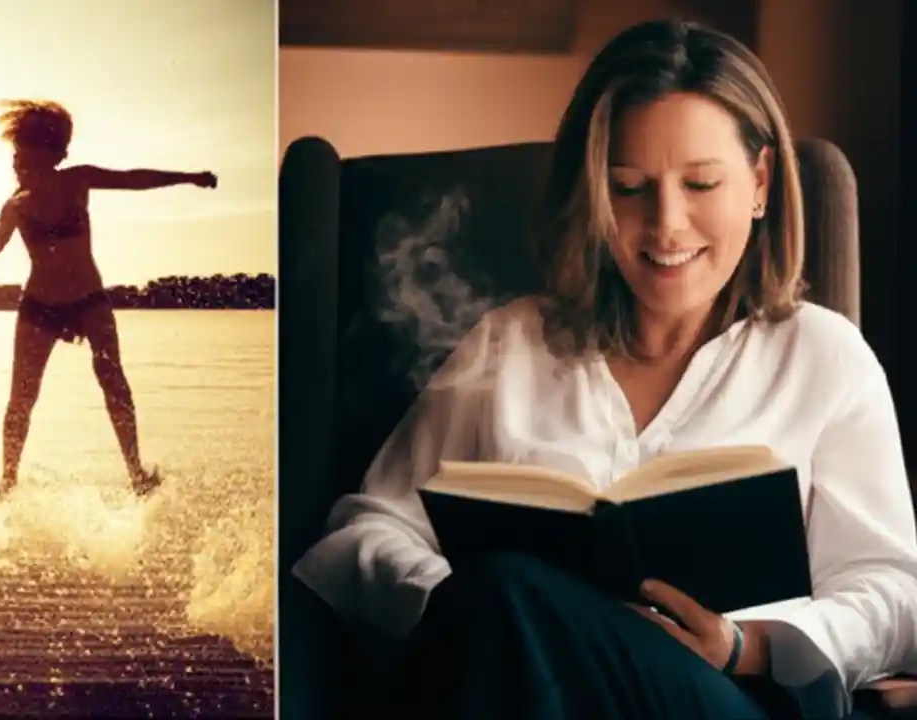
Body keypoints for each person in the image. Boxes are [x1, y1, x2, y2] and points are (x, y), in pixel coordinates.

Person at [291, 19, 917, 720]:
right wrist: (455, 602)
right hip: (514, 678)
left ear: (761, 182)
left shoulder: (822, 357)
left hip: (727, 699)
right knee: (504, 600)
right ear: (592, 193)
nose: (666, 225)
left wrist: (745, 644)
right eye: (628, 188)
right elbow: (363, 534)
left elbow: (894, 592)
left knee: (507, 596)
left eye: (702, 184)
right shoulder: (513, 346)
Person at [0, 99, 217, 503]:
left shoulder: (77, 181)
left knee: (113, 381)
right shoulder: (15, 204)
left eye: (29, 146)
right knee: (22, 394)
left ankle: (136, 473)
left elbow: (132, 179)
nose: (18, 156)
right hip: (38, 307)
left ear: (55, 153)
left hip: (89, 300)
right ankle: (7, 480)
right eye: (17, 148)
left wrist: (187, 177)